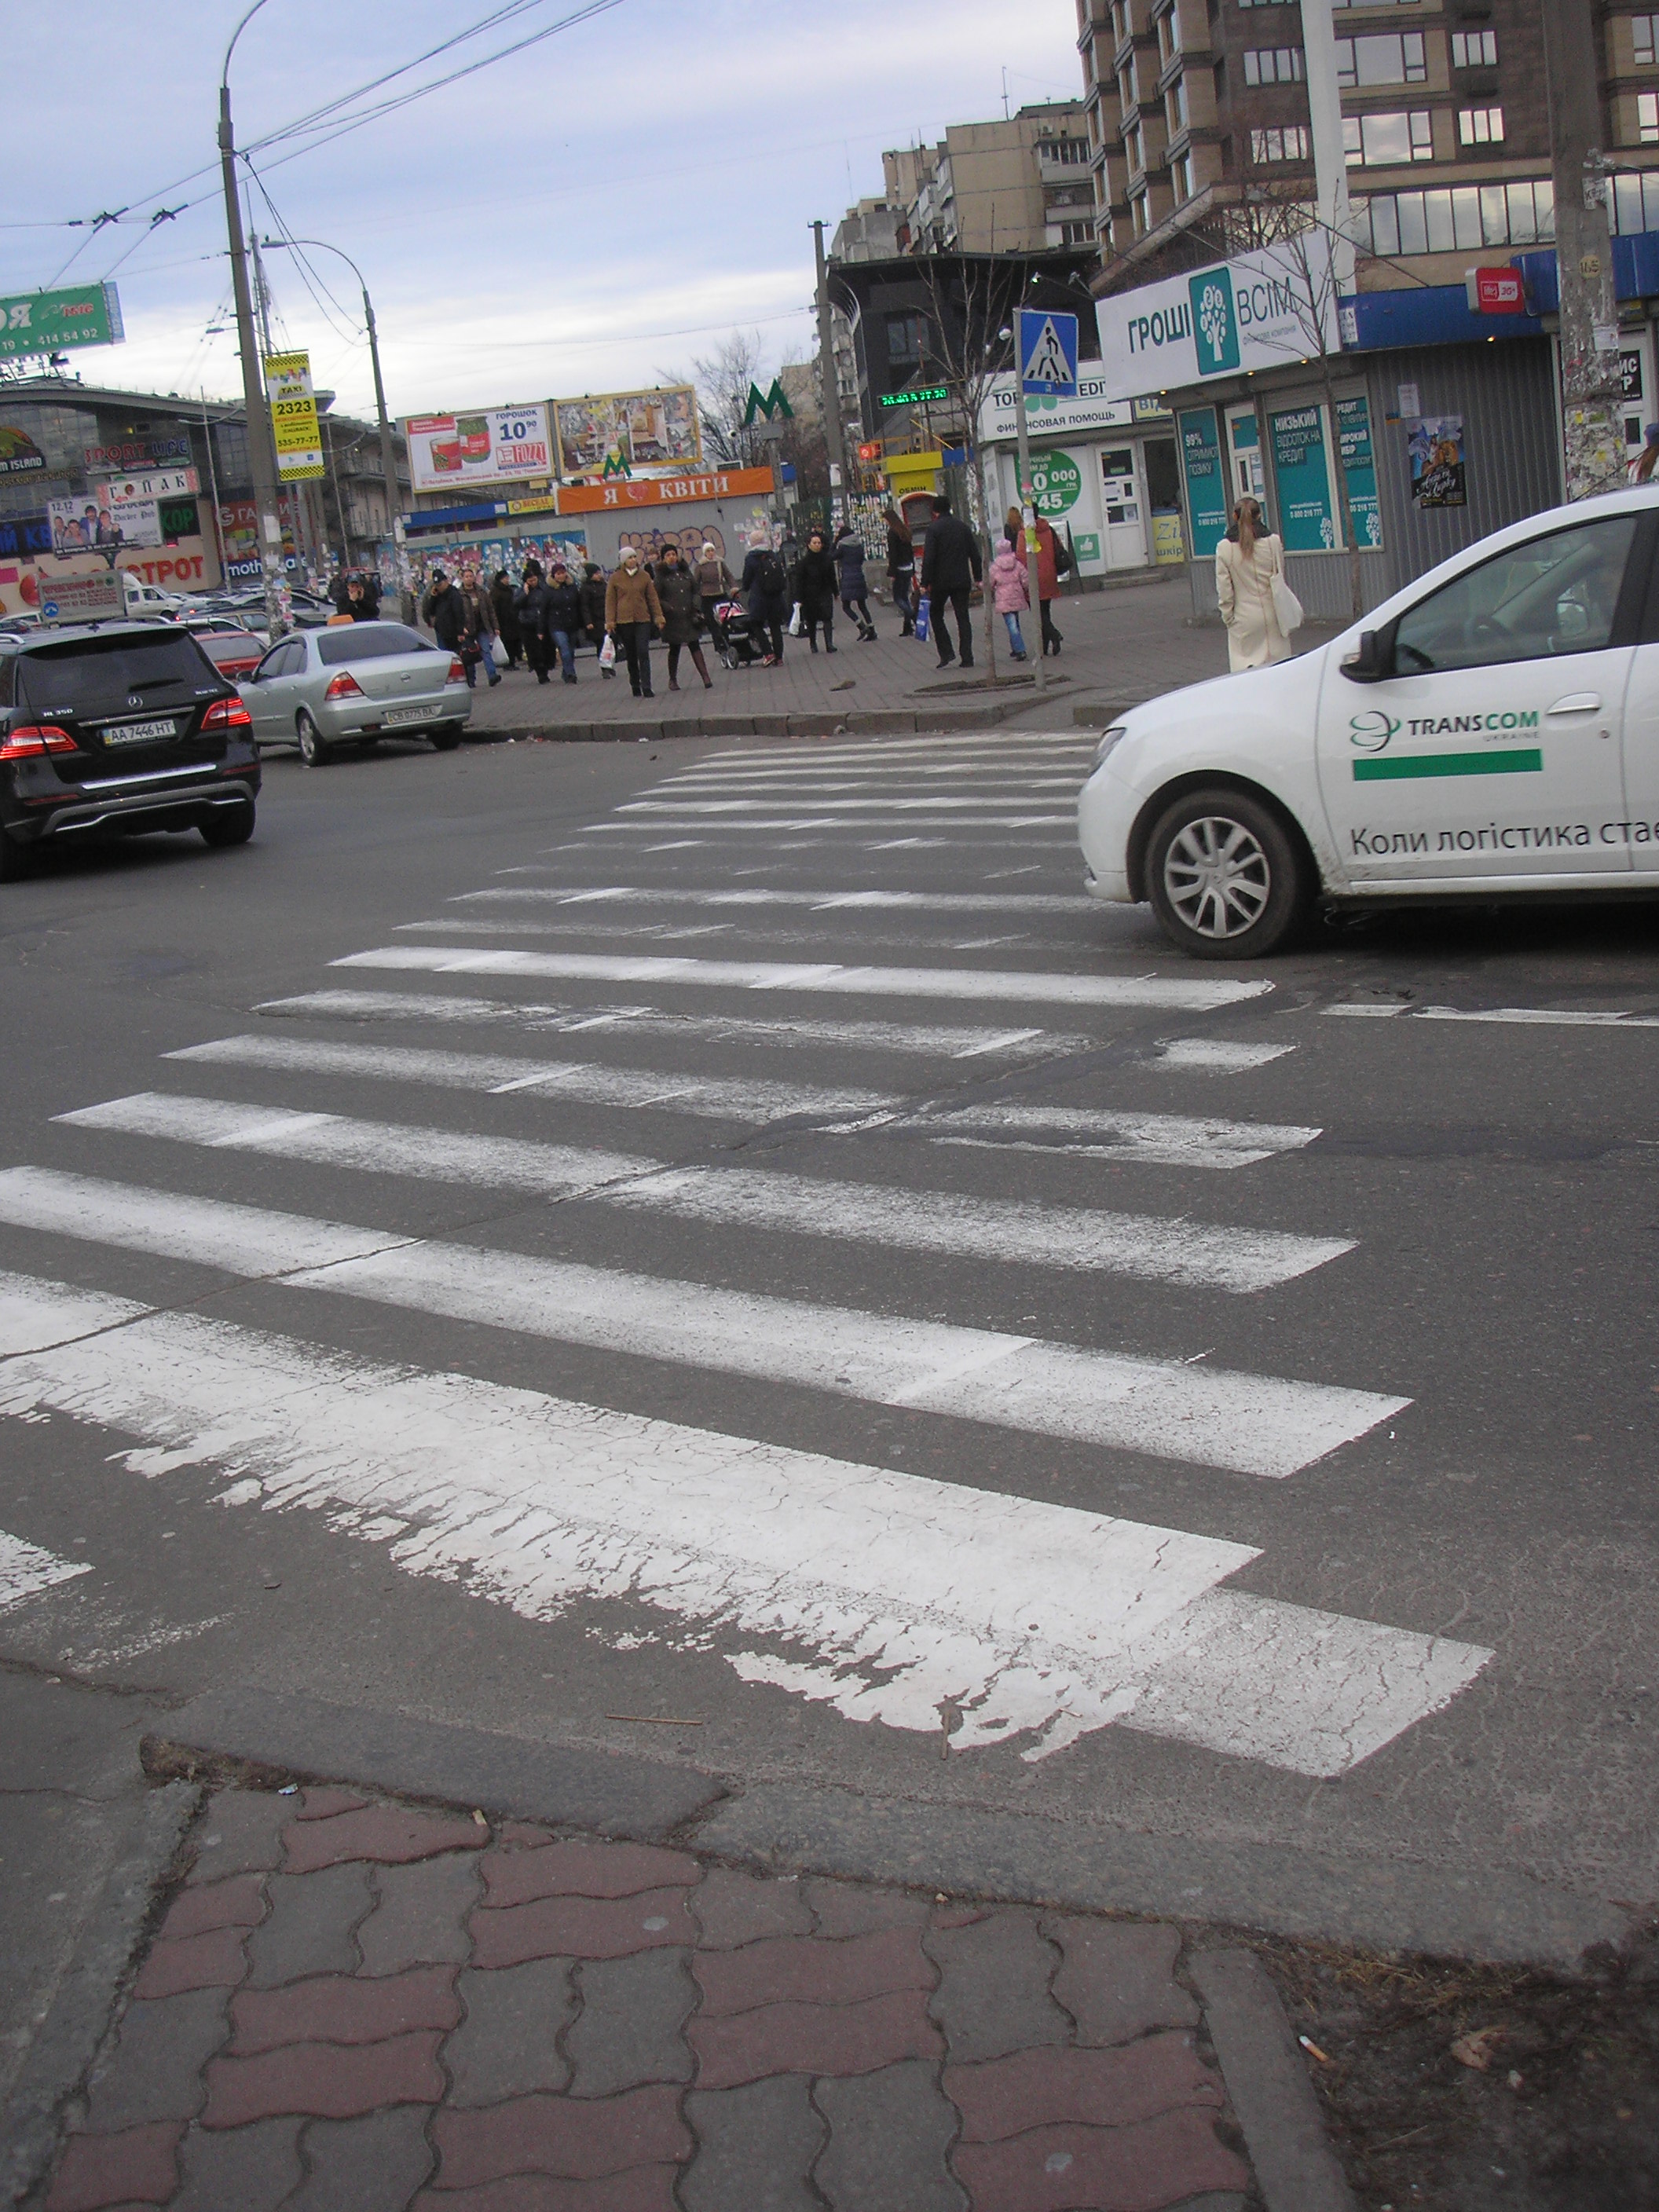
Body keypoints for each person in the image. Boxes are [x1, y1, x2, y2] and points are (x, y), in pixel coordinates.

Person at [1214, 496, 1292, 672]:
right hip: (1274, 615)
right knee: (1279, 669)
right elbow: (1280, 576)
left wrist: (1228, 618)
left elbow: (1225, 591)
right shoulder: (1273, 542)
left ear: (1235, 516)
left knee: (1246, 674)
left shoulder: (1225, 548)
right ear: (1260, 515)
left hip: (1244, 618)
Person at [918, 495, 981, 670]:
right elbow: (974, 555)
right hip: (961, 580)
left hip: (941, 582)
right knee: (963, 617)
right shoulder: (962, 527)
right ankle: (967, 656)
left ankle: (946, 652)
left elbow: (929, 558)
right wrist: (978, 578)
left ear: (935, 511)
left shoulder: (933, 529)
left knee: (936, 613)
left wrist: (925, 582)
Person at [603, 542, 664, 697]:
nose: (633, 560)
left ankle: (647, 686)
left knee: (643, 652)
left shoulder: (644, 576)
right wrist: (610, 621)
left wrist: (658, 616)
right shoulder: (615, 578)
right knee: (631, 654)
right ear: (623, 560)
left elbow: (652, 598)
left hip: (642, 619)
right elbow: (610, 601)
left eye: (634, 557)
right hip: (624, 621)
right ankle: (635, 683)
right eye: (629, 557)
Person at [655, 543, 712, 690]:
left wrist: (696, 604)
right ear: (663, 558)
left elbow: (695, 590)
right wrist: (668, 607)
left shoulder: (685, 571)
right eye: (668, 555)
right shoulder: (661, 576)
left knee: (695, 645)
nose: (672, 558)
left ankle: (706, 677)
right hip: (673, 619)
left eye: (673, 554)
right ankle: (672, 680)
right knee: (675, 648)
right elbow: (656, 597)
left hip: (689, 615)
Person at [741, 530, 789, 665]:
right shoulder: (772, 554)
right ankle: (779, 657)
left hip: (759, 598)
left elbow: (747, 579)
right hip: (776, 597)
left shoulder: (751, 558)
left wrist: (744, 588)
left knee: (756, 624)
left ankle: (768, 653)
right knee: (775, 626)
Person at [793, 527, 838, 653]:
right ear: (809, 545)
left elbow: (832, 576)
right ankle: (813, 643)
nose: (817, 545)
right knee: (811, 620)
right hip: (810, 594)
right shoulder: (804, 562)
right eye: (814, 543)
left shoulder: (827, 559)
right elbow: (799, 581)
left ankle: (829, 643)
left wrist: (835, 592)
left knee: (827, 617)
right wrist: (799, 598)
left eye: (819, 543)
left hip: (825, 591)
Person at [988, 531, 1030, 660]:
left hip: (1003, 599)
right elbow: (1026, 579)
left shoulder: (995, 567)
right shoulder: (1017, 564)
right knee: (1015, 623)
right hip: (1017, 596)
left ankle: (1020, 650)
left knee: (1011, 625)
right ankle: (1015, 648)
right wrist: (1025, 589)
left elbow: (990, 583)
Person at [459, 565, 501, 687]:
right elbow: (457, 613)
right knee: (470, 655)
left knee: (486, 651)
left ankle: (492, 675)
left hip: (482, 626)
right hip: (467, 629)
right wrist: (461, 627)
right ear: (462, 578)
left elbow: (490, 610)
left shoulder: (482, 592)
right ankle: (471, 680)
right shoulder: (459, 594)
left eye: (471, 576)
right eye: (466, 576)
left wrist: (495, 626)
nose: (469, 579)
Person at [833, 522, 877, 641]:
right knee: (862, 605)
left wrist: (835, 542)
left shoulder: (842, 547)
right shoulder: (859, 545)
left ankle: (861, 626)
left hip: (848, 577)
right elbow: (862, 559)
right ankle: (872, 630)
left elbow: (831, 556)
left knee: (846, 606)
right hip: (859, 575)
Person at [544, 562, 584, 683]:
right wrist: (541, 629)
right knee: (564, 649)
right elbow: (544, 609)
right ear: (554, 575)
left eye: (563, 573)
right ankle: (572, 674)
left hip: (572, 623)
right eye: (558, 574)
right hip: (556, 625)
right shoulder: (549, 590)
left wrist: (583, 622)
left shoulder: (572, 587)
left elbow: (578, 605)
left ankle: (566, 672)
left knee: (571, 651)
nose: (561, 576)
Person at [514, 560, 552, 684]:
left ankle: (546, 667)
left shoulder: (543, 589)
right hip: (527, 624)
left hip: (542, 623)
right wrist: (525, 594)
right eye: (530, 581)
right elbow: (516, 604)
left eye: (534, 580)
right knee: (533, 650)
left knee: (546, 649)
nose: (533, 583)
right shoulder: (520, 591)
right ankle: (540, 673)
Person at [421, 568, 469, 657]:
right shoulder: (437, 595)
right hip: (441, 631)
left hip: (453, 632)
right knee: (445, 656)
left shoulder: (454, 594)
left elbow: (458, 613)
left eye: (440, 584)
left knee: (460, 656)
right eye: (437, 585)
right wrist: (433, 597)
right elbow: (430, 610)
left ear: (446, 581)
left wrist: (460, 632)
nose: (439, 587)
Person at [694, 540, 736, 638]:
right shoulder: (700, 565)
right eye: (708, 551)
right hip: (707, 596)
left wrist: (733, 587)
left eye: (712, 550)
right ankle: (718, 644)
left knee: (724, 619)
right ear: (705, 553)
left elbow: (728, 576)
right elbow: (696, 581)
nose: (711, 553)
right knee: (712, 621)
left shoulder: (719, 562)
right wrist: (696, 594)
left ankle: (726, 640)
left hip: (720, 593)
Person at [884, 506, 914, 633]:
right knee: (905, 597)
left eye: (885, 520)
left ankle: (914, 616)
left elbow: (893, 554)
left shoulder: (892, 533)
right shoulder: (904, 530)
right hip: (908, 566)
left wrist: (892, 572)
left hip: (899, 568)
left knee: (898, 598)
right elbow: (910, 551)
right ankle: (907, 627)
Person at [579, 562, 612, 675]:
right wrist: (588, 621)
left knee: (610, 642)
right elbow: (585, 606)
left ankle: (609, 664)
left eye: (599, 573)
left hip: (606, 617)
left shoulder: (604, 585)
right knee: (601, 644)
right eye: (596, 574)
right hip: (595, 620)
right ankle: (605, 668)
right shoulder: (586, 588)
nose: (599, 575)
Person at [492, 570, 522, 668]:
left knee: (514, 641)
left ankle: (512, 661)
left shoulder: (509, 589)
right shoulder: (495, 592)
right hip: (503, 620)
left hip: (512, 619)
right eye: (506, 578)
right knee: (507, 642)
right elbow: (494, 607)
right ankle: (508, 662)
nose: (508, 580)